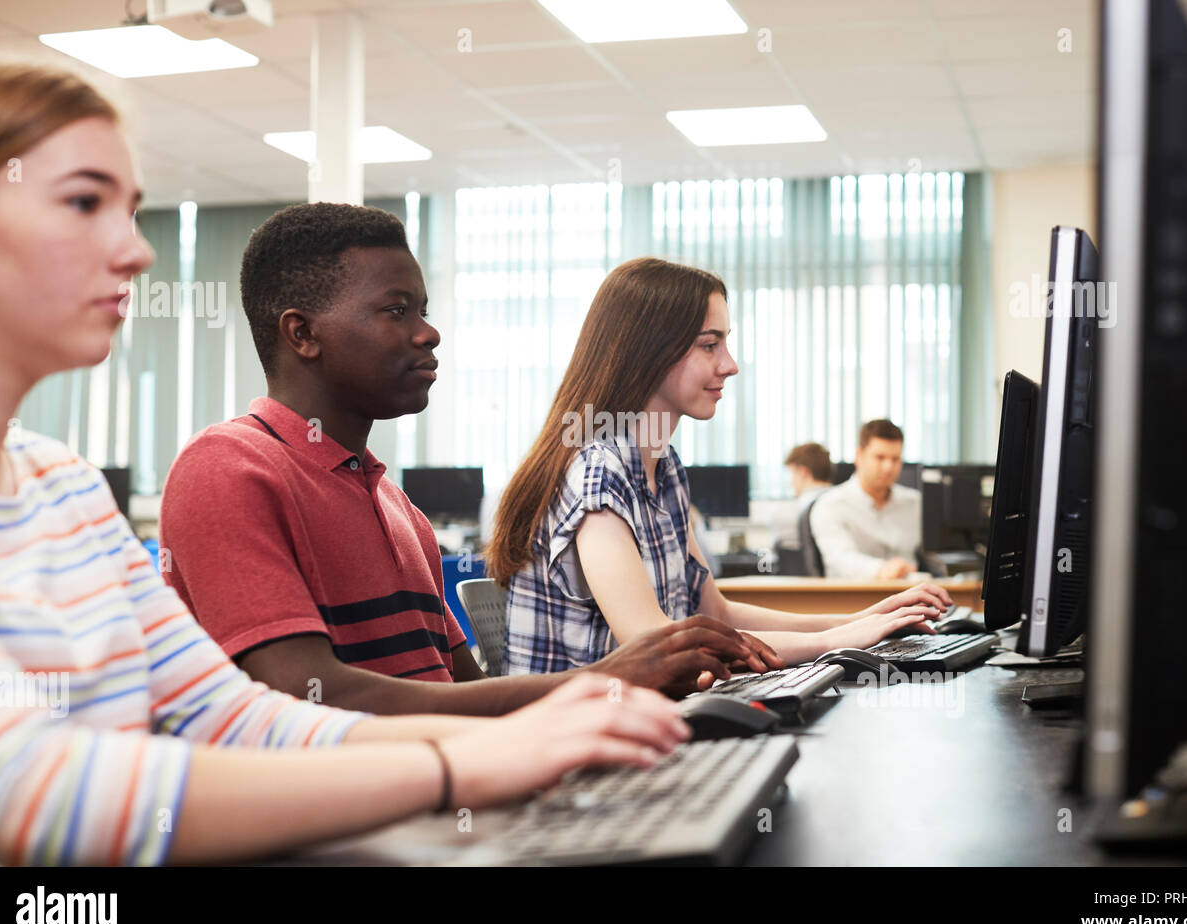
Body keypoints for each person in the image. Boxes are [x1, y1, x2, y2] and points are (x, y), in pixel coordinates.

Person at [0, 54, 692, 866]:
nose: (136, 251)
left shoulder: (64, 488)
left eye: (132, 211)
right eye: (83, 202)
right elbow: (27, 791)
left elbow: (231, 716)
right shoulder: (224, 466)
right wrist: (455, 764)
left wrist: (533, 736)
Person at [158, 203, 763, 714]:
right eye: (397, 311)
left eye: (423, 310)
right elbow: (301, 694)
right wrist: (608, 681)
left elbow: (467, 695)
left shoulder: (396, 508)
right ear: (302, 334)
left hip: (444, 799)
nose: (428, 333)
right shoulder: (228, 468)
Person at [484, 257, 950, 674]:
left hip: (638, 722)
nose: (730, 365)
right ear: (650, 351)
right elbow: (652, 643)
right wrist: (833, 642)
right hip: (575, 745)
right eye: (711, 345)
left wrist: (864, 620)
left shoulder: (663, 467)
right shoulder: (598, 470)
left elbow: (717, 616)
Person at [809, 419, 922, 579]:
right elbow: (841, 559)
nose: (888, 467)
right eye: (880, 457)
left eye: (895, 459)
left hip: (913, 597)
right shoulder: (830, 505)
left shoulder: (916, 504)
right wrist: (884, 569)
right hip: (854, 598)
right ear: (859, 456)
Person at [772, 442, 835, 553]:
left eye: (792, 474)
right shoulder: (845, 504)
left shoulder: (786, 515)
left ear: (803, 472)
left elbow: (773, 561)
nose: (791, 483)